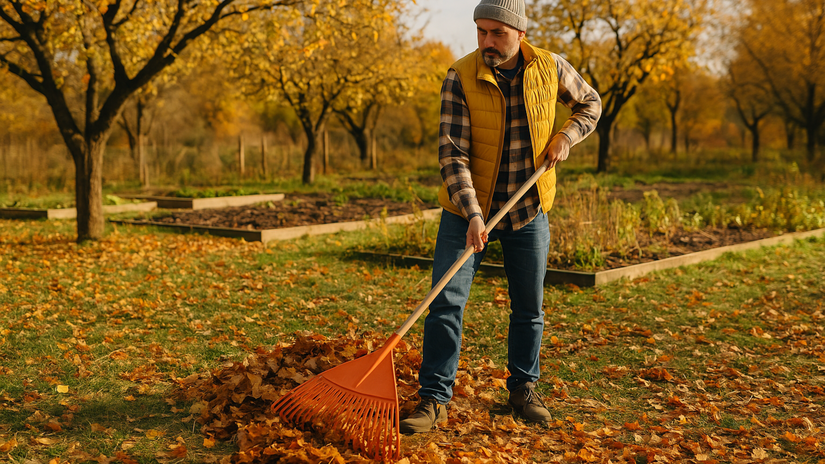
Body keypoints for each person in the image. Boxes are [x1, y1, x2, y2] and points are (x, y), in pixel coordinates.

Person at [400, 0, 602, 434]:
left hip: (527, 209)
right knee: (445, 304)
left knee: (529, 307)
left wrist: (567, 135)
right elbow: (452, 156)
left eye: (497, 33)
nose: (487, 42)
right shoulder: (460, 76)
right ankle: (434, 398)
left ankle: (522, 389)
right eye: (481, 31)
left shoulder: (550, 68)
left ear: (520, 34)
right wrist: (473, 213)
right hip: (466, 211)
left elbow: (591, 104)